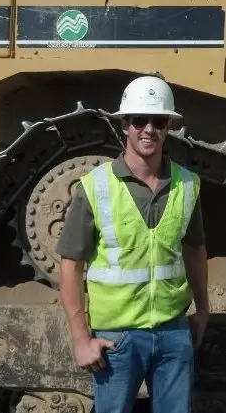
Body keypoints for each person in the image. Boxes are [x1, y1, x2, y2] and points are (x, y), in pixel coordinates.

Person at [57, 76, 209, 413]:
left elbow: (195, 249)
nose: (149, 129)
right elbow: (70, 265)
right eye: (139, 120)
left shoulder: (187, 184)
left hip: (172, 330)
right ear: (125, 125)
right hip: (117, 338)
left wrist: (203, 308)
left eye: (158, 121)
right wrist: (81, 337)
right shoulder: (95, 187)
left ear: (168, 126)